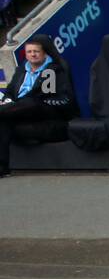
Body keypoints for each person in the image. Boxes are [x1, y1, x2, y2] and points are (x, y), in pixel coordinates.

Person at [0, 35, 78, 178]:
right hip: (19, 112)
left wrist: (17, 104)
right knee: (3, 122)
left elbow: (48, 97)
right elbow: (10, 92)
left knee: (30, 102)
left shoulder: (53, 70)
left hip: (48, 112)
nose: (32, 55)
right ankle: (2, 168)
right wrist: (7, 100)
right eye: (29, 52)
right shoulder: (21, 69)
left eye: (36, 51)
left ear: (44, 53)